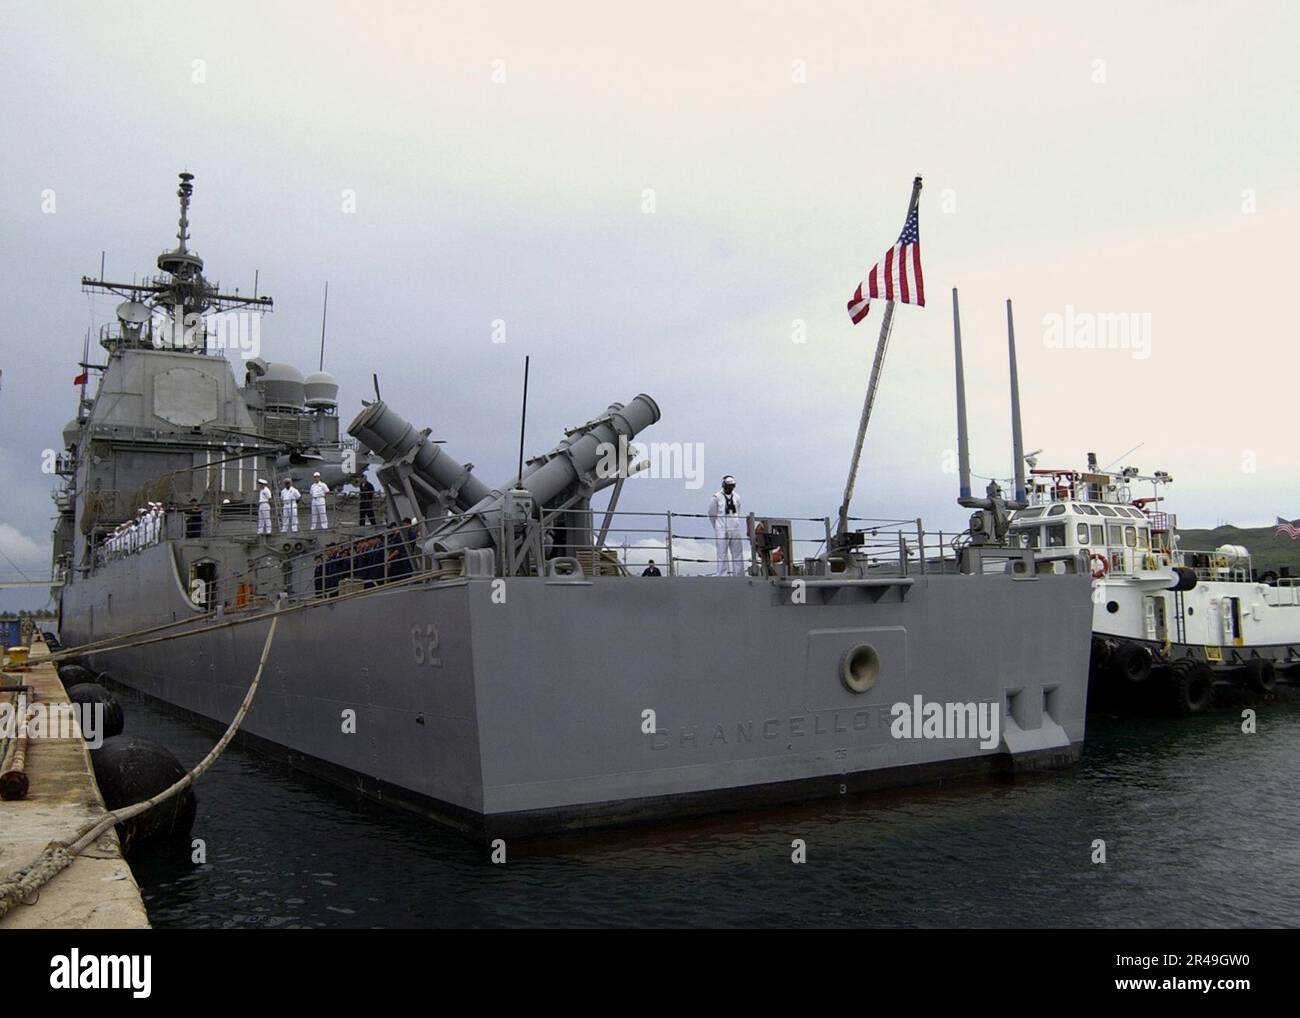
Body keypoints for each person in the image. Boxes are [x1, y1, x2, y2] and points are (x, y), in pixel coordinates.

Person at [708, 475, 746, 576]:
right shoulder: (716, 497)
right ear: (724, 485)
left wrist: (736, 523)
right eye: (728, 486)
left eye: (732, 486)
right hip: (721, 528)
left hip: (734, 528)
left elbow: (738, 511)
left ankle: (739, 574)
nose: (730, 488)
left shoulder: (737, 497)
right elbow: (712, 513)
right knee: (722, 553)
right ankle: (722, 574)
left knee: (737, 552)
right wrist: (717, 527)